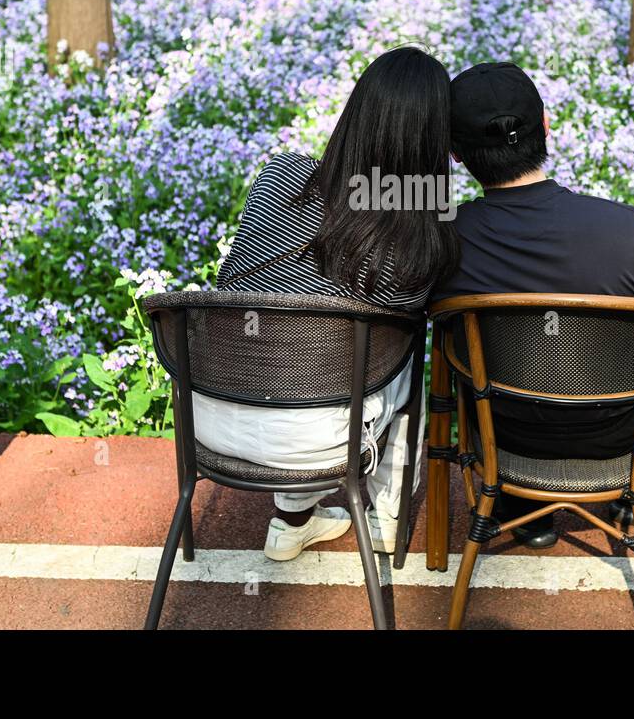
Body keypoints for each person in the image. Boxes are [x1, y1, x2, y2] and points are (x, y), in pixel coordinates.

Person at [194, 47, 460, 562]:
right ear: (434, 142)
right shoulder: (421, 236)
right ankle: (385, 518)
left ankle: (292, 522)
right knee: (403, 351)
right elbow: (388, 214)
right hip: (318, 443)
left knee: (306, 341)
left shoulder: (280, 174)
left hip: (211, 417)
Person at [433, 61, 634, 548]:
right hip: (617, 439)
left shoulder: (446, 237)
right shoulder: (624, 227)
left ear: (456, 153)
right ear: (545, 126)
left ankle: (521, 506)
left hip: (505, 441)